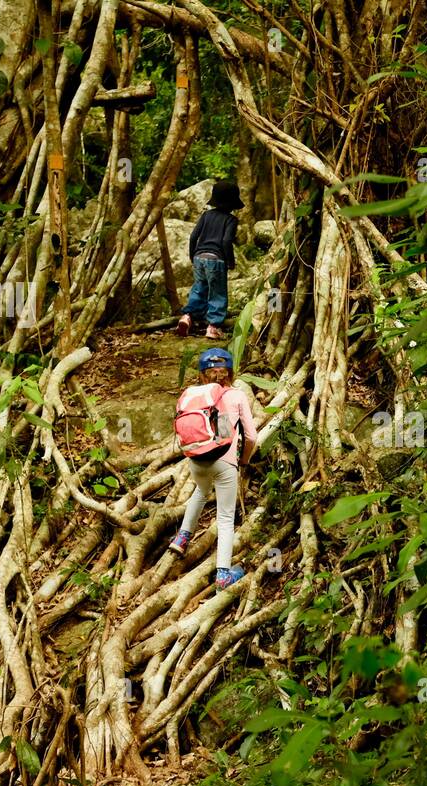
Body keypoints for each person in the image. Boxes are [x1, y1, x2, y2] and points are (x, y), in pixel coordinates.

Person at [169, 347, 258, 589]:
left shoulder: (191, 394)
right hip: (225, 463)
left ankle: (182, 537)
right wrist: (244, 461)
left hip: (196, 461)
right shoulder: (237, 396)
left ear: (201, 374)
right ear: (230, 372)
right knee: (226, 517)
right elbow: (250, 437)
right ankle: (223, 576)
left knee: (200, 490)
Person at [177, 181, 244, 340]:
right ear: (233, 203)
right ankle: (213, 326)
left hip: (199, 257)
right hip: (216, 260)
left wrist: (193, 255)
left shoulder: (206, 215)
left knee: (199, 288)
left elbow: (194, 236)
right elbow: (226, 241)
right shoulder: (231, 220)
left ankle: (187, 317)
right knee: (217, 293)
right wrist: (231, 261)